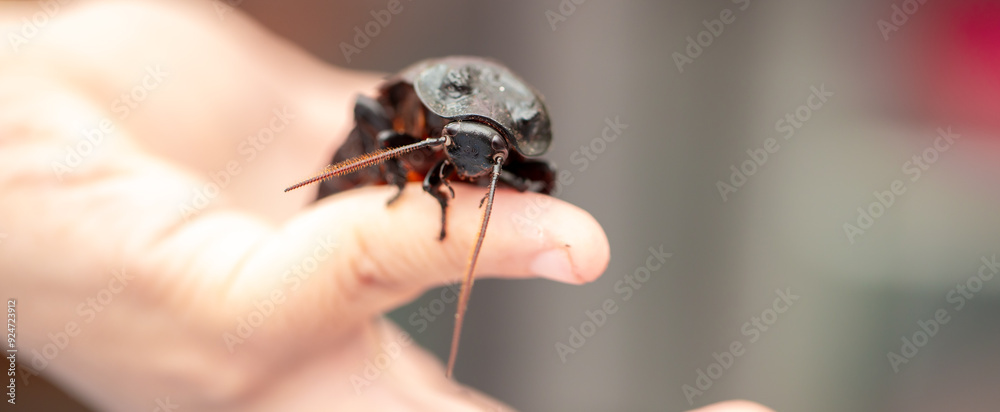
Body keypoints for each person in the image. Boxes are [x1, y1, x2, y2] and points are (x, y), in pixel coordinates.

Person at [0, 1, 772, 410]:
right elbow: (381, 112)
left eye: (485, 161)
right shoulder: (411, 126)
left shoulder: (516, 155)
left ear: (511, 154)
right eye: (453, 155)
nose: (464, 167)